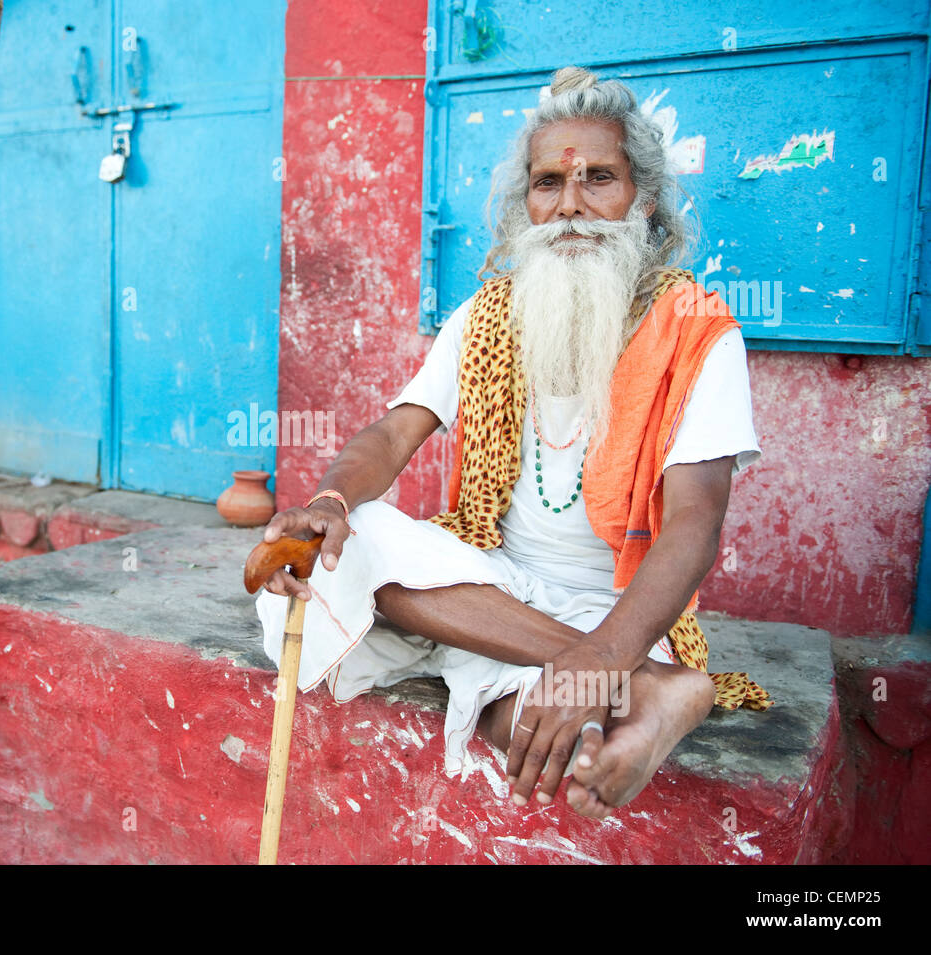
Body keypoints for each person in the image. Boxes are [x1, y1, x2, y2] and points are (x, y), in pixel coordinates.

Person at [254, 65, 770, 821]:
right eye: (547, 185)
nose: (569, 207)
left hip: (620, 610)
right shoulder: (488, 314)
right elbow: (398, 430)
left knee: (514, 718)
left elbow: (695, 525)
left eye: (599, 179)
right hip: (491, 584)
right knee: (343, 542)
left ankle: (608, 679)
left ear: (645, 200)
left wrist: (603, 652)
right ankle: (638, 690)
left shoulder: (698, 334)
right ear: (524, 203)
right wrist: (329, 498)